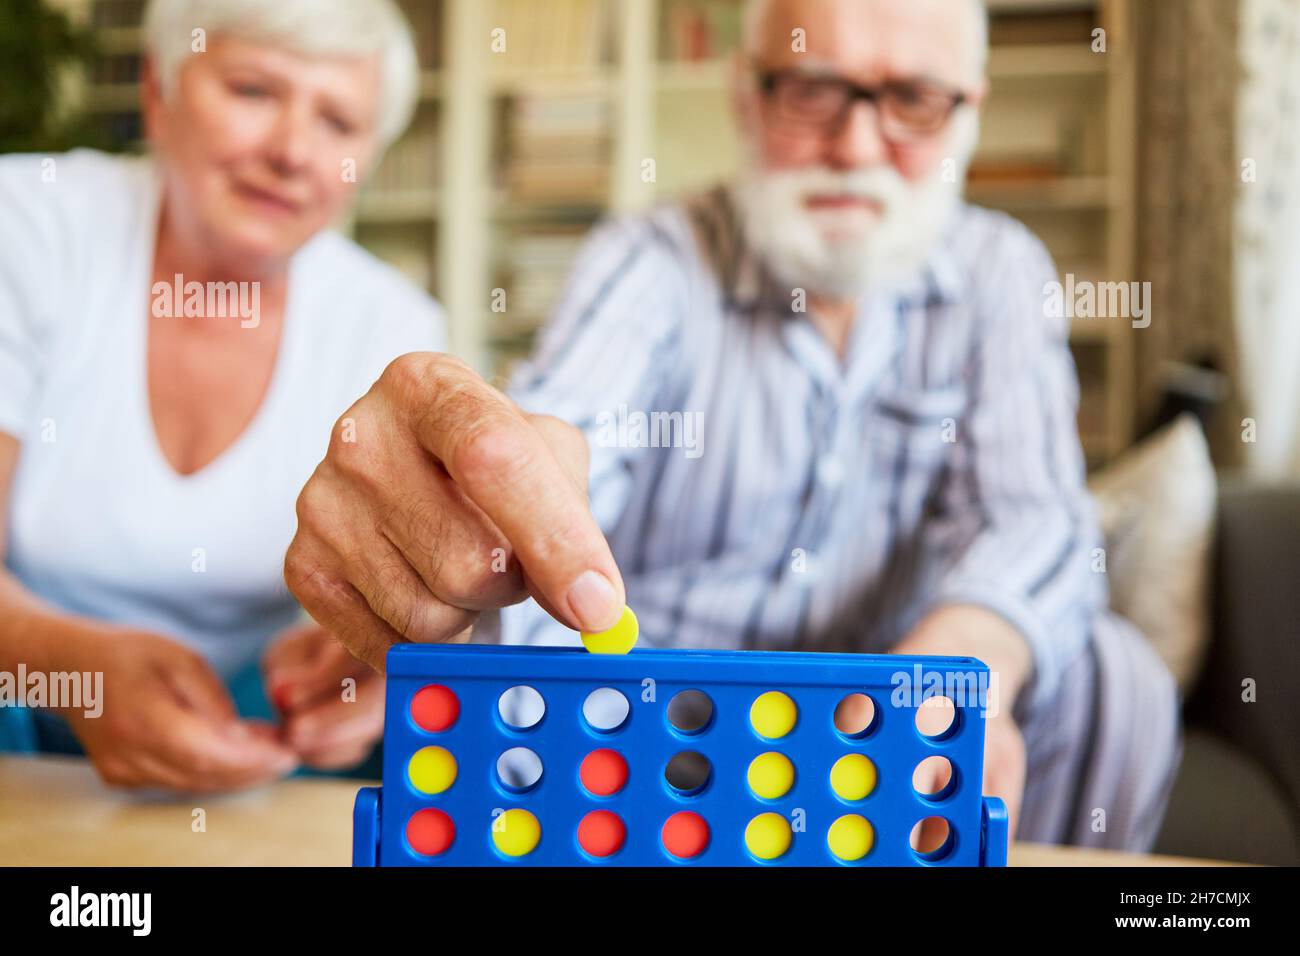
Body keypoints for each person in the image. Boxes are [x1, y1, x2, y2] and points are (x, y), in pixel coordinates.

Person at [286, 0, 1181, 849]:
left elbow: (1035, 518)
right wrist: (484, 511)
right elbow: (569, 425)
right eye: (811, 87)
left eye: (912, 98)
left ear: (968, 113)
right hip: (652, 731)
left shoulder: (1000, 270)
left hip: (894, 722)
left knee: (1116, 678)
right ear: (746, 96)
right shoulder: (652, 259)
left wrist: (943, 674)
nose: (857, 141)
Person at [0, 0, 442, 791]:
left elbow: (411, 605)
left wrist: (362, 664)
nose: (293, 152)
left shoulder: (393, 326)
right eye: (254, 91)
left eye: (338, 123)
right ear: (157, 93)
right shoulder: (28, 225)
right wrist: (76, 671)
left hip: (261, 735)